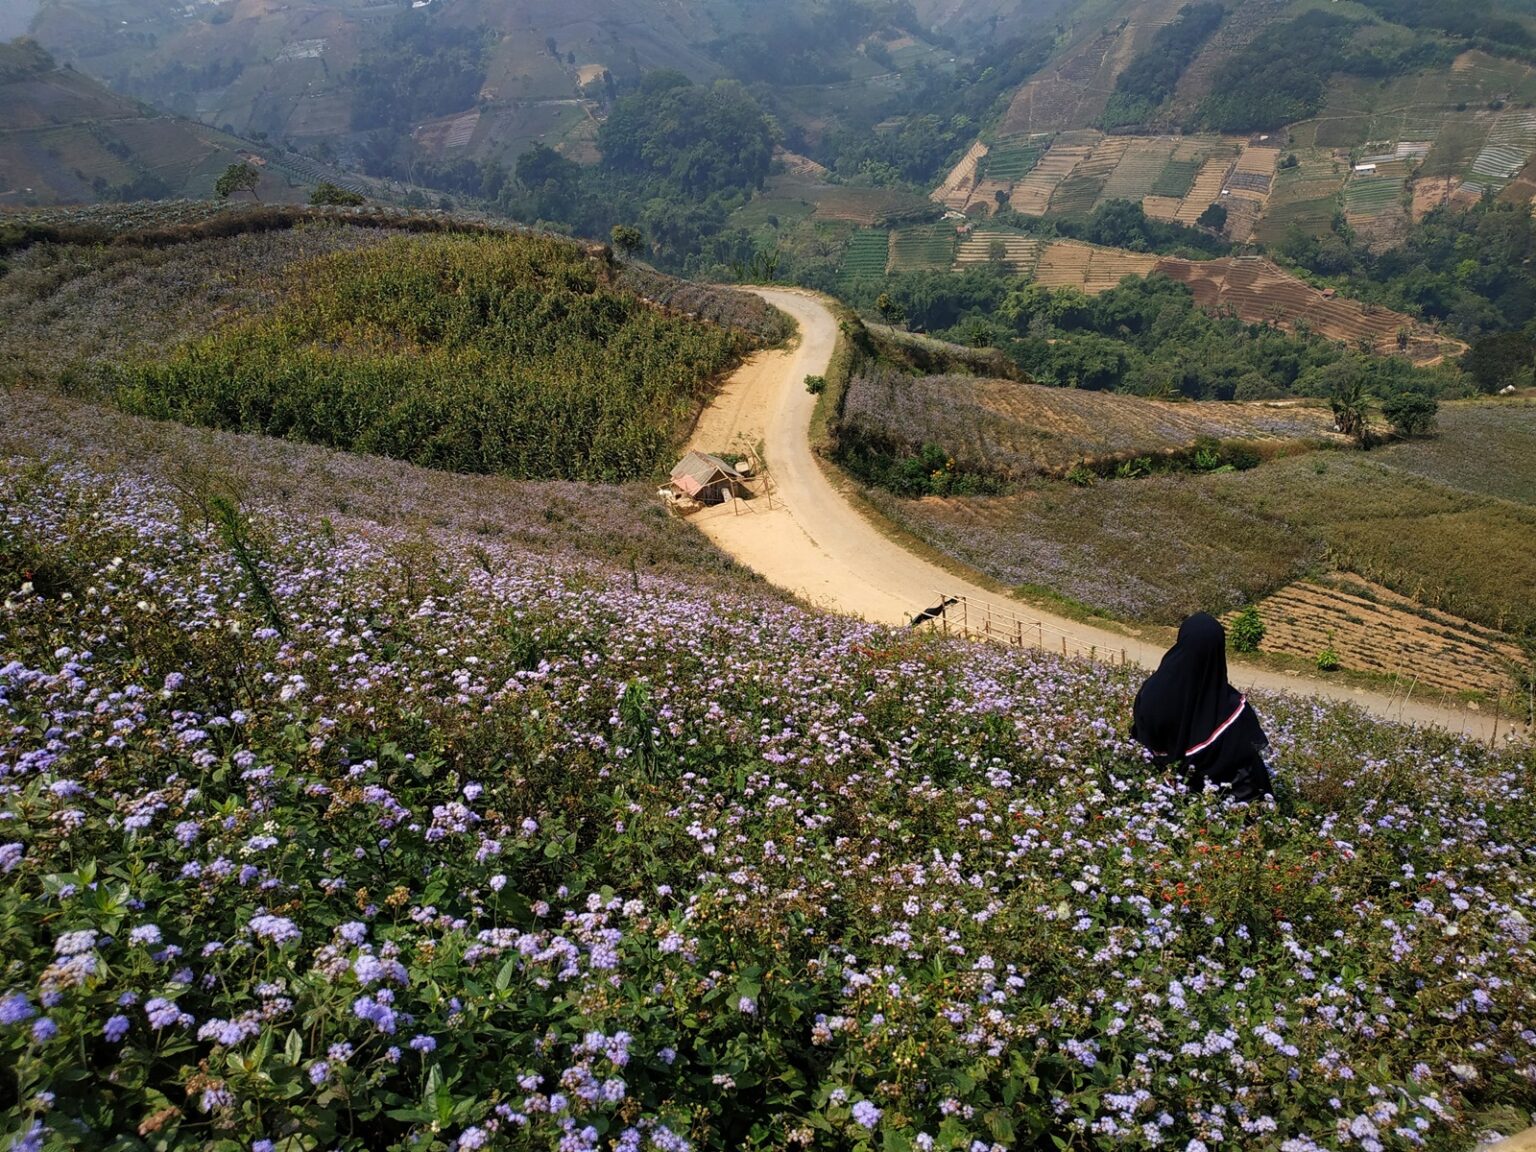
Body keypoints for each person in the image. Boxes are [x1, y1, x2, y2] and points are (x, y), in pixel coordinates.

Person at [1131, 612, 1273, 802]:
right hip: (1216, 805)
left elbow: (1141, 737)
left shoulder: (1151, 690)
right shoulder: (1232, 709)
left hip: (1155, 791)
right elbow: (1249, 769)